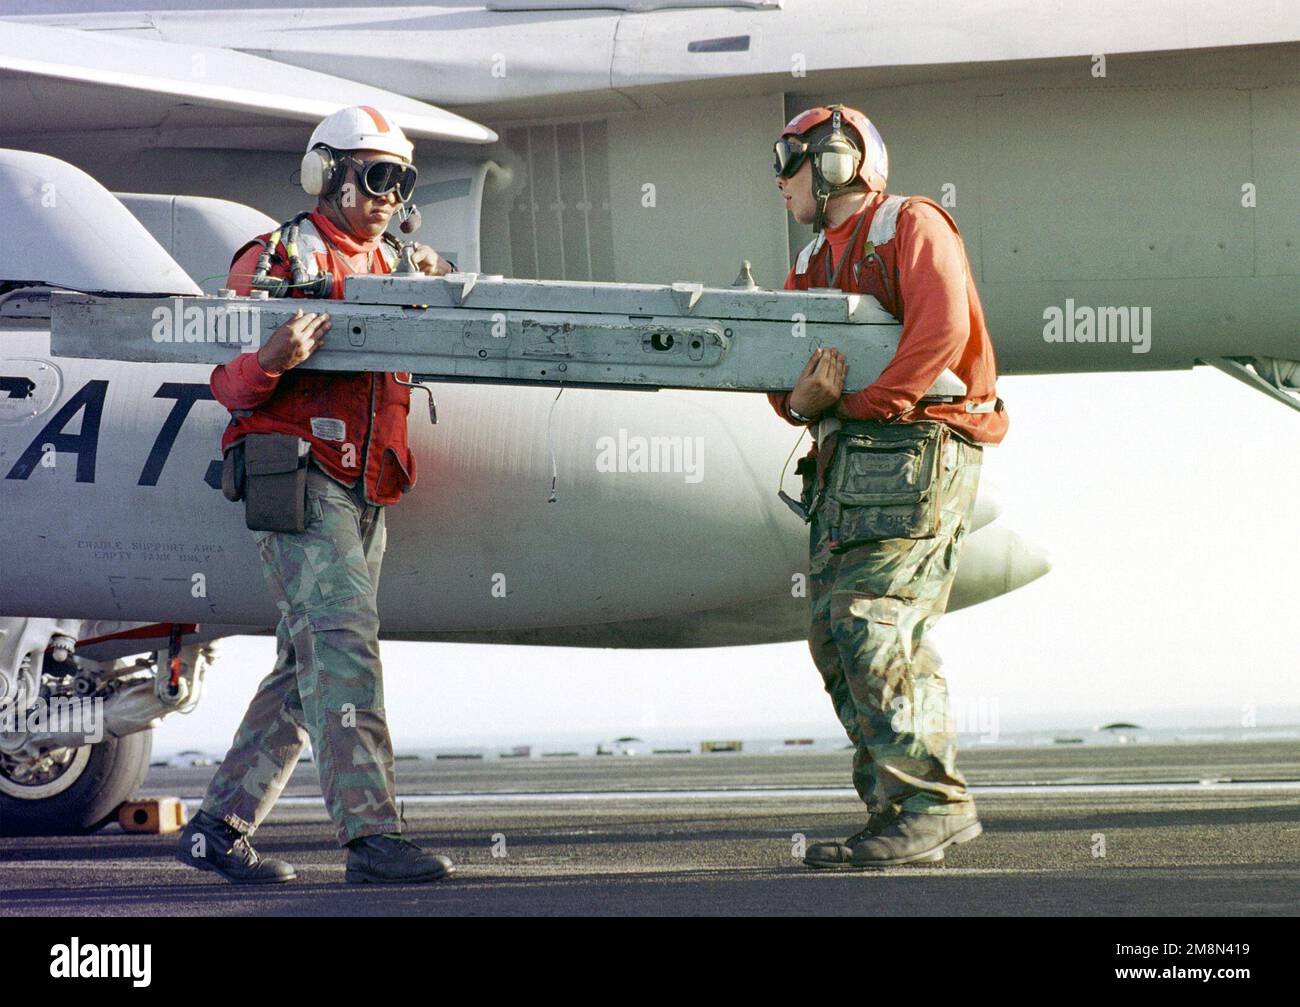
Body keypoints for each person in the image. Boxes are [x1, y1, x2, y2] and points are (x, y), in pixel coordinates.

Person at [177, 105, 455, 884]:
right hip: (302, 478)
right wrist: (270, 358)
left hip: (368, 481)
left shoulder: (398, 263)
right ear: (327, 174)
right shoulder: (273, 259)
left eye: (398, 182)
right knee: (343, 649)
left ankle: (215, 826)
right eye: (373, 177)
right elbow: (226, 377)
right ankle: (371, 837)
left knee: (310, 662)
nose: (386, 198)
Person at [769, 105, 1009, 867]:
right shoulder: (811, 262)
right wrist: (801, 404)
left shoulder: (911, 224)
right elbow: (781, 366)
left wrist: (856, 404)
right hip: (851, 458)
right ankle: (900, 808)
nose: (781, 180)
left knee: (870, 619)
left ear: (836, 160)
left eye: (791, 160)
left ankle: (931, 803)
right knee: (838, 634)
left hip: (917, 448)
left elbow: (940, 333)